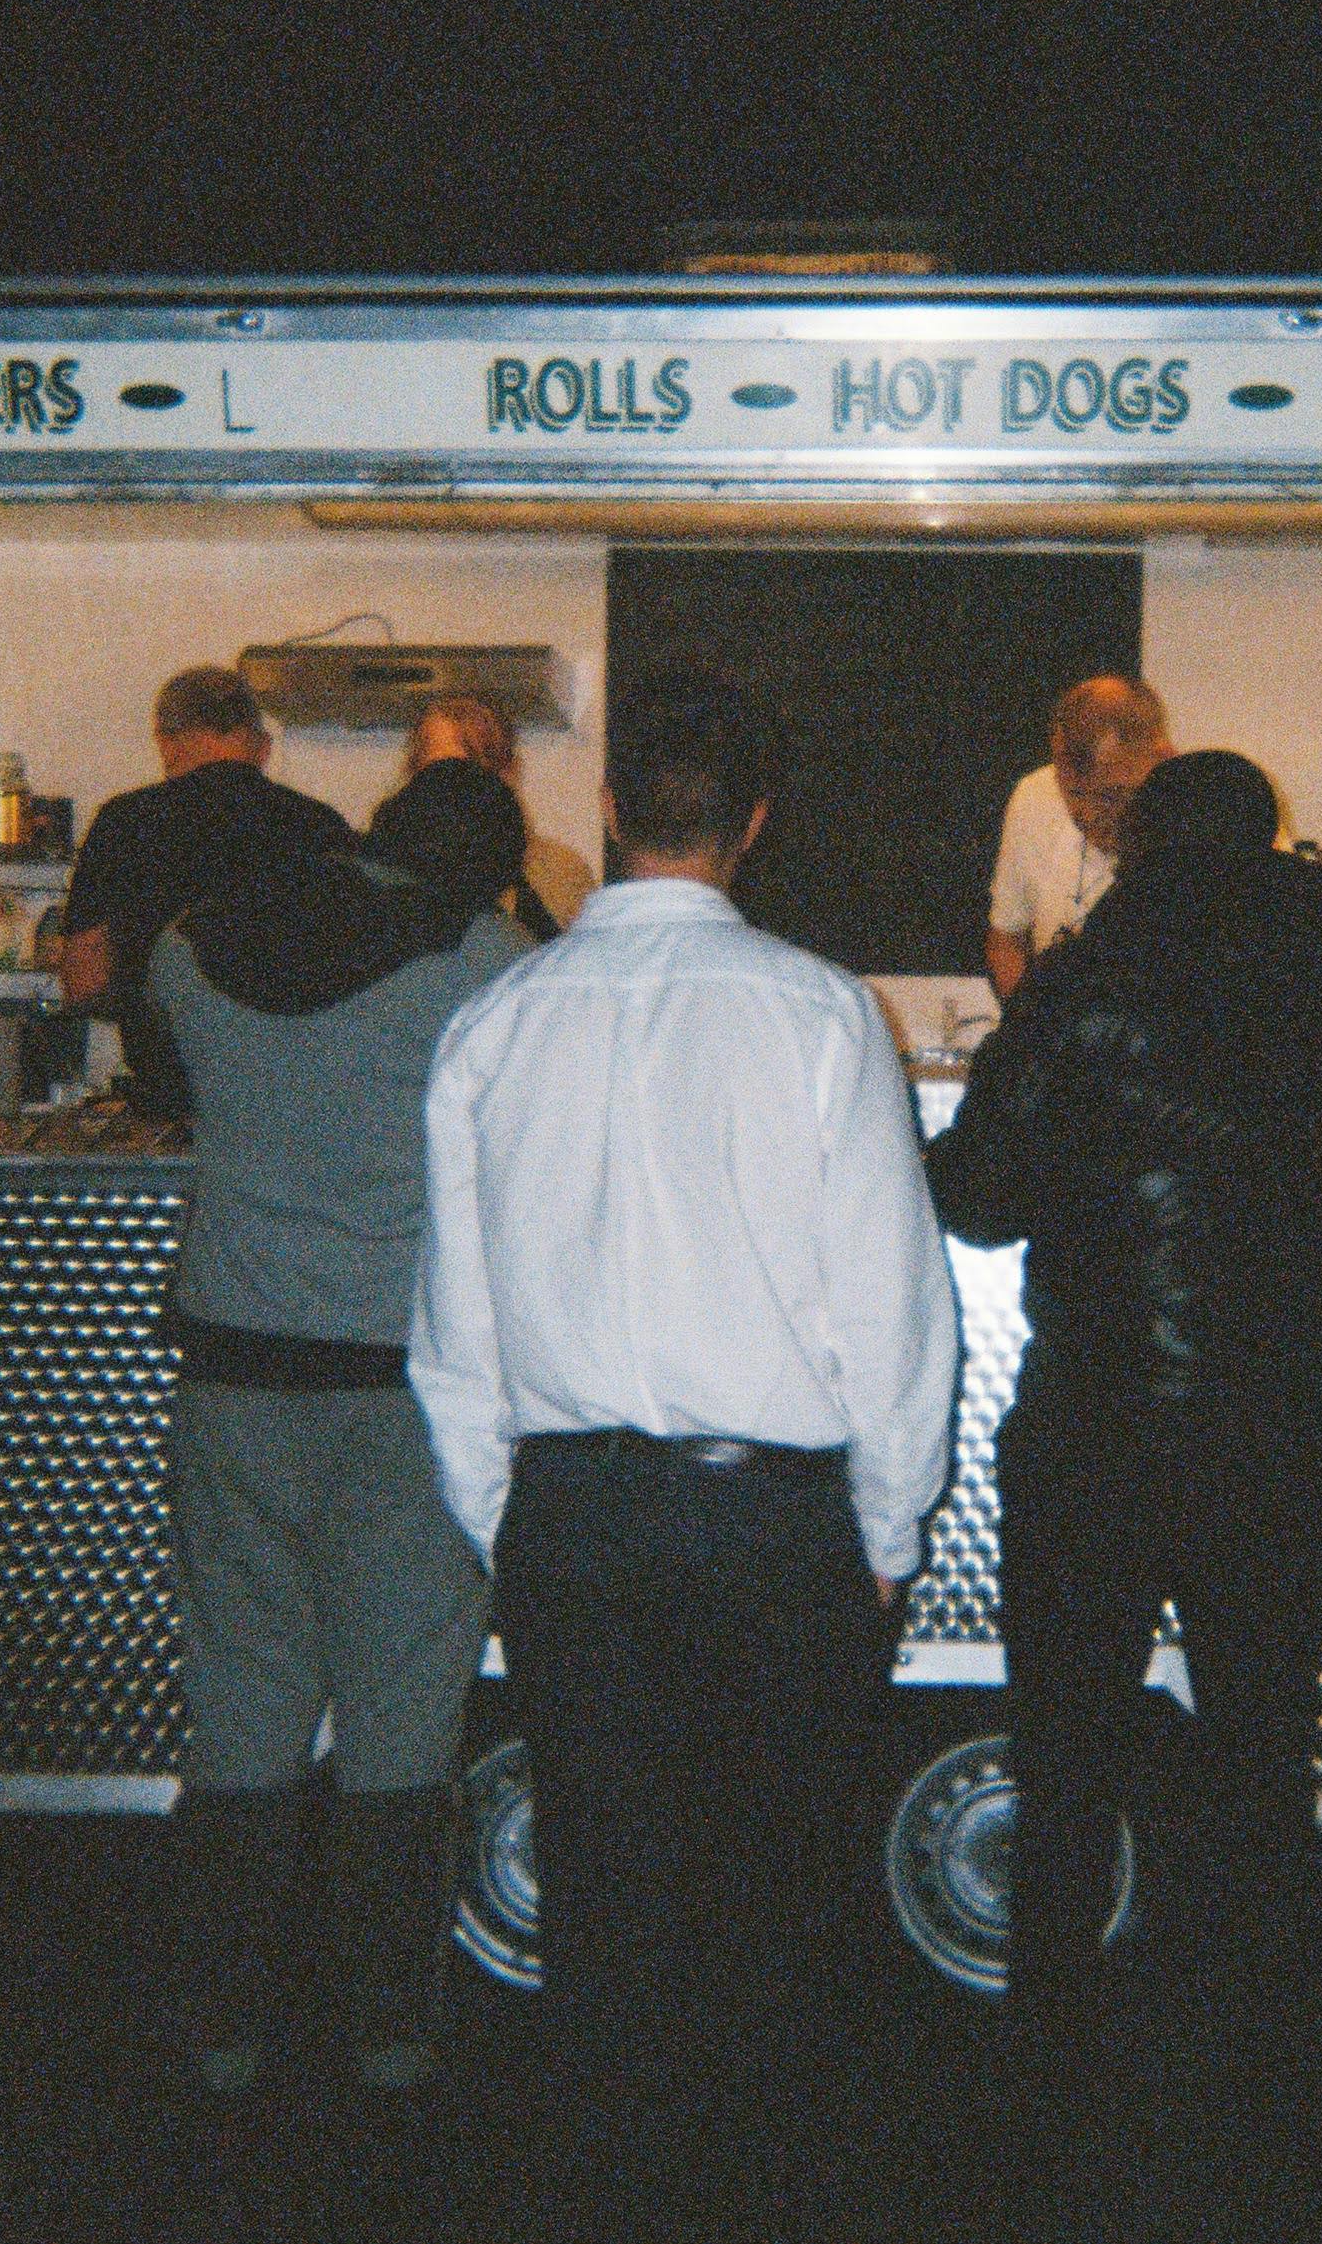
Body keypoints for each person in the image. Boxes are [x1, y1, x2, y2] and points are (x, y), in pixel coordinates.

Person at [410, 665, 959, 2231]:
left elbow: (451, 1339)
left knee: (603, 1902)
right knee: (775, 1911)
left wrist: (511, 1518)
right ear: (758, 825)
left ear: (601, 807)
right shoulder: (818, 1013)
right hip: (776, 1527)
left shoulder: (494, 1020)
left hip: (574, 1520)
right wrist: (886, 1532)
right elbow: (896, 1313)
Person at [923, 749, 1322, 2213]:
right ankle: (1260, 2072)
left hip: (1093, 1430)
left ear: (1135, 843)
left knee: (1064, 1754)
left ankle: (1047, 2083)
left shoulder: (1081, 987)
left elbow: (976, 1195)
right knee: (1264, 1743)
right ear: (1267, 839)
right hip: (1273, 1425)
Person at [145, 758, 537, 2107]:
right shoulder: (482, 956)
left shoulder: (193, 946)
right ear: (484, 867)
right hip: (397, 1390)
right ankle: (387, 2037)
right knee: (400, 1723)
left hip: (233, 1379)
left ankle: (221, 2032)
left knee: (242, 1708)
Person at [57, 663, 353, 1120]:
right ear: (260, 745)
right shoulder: (321, 827)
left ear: (169, 743)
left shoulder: (124, 822)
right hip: (292, 1100)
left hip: (168, 1097)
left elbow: (84, 980)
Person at [982, 674, 1173, 1000]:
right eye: (1073, 792)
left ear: (1159, 757)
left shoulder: (1213, 808)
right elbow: (1006, 939)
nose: (1086, 813)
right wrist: (1030, 1026)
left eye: (1111, 794)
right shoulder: (1033, 796)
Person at [403, 691, 597, 936]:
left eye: (467, 770)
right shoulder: (386, 875)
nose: (449, 786)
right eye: (437, 770)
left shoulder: (562, 873)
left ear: (506, 775)